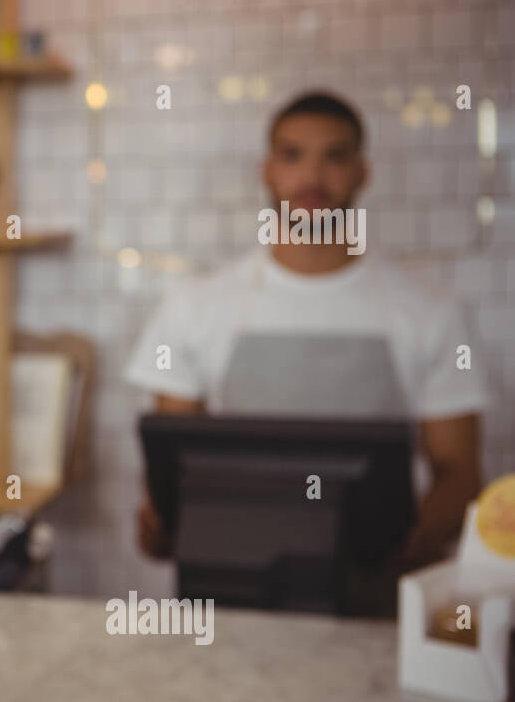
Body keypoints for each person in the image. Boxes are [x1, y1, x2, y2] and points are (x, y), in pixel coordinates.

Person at [125, 90, 487, 580]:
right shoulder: (192, 308)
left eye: (335, 157)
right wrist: (164, 522)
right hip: (230, 591)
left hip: (375, 598)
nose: (312, 178)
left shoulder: (433, 313)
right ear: (267, 171)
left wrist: (398, 547)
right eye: (292, 156)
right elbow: (171, 465)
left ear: (362, 172)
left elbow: (460, 474)